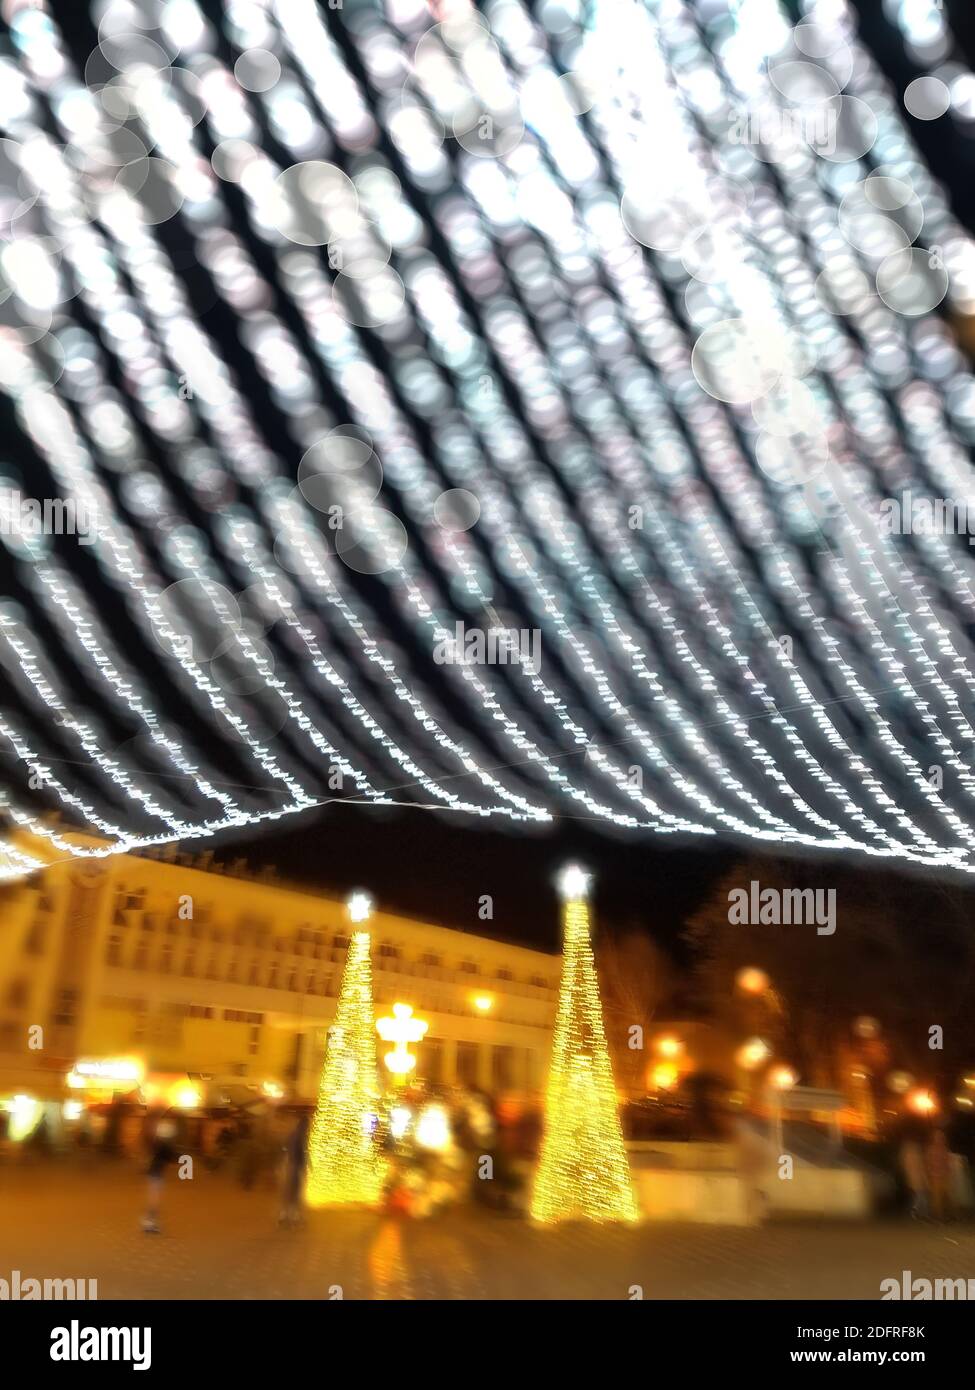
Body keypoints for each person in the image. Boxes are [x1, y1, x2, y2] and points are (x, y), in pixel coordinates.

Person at [142, 1117, 178, 1234]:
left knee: (153, 1199)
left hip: (154, 1173)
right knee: (154, 1201)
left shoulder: (158, 1143)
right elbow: (173, 1157)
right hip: (156, 1174)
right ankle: (149, 1223)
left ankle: (149, 1223)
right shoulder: (165, 1145)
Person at [279, 1112, 310, 1227]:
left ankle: (283, 1216)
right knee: (295, 1192)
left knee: (287, 1192)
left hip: (289, 1165)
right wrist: (307, 1166)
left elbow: (284, 1148)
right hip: (296, 1167)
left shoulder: (292, 1134)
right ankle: (294, 1217)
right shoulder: (302, 1136)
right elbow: (303, 1153)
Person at [899, 1136, 929, 1219]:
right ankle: (915, 1211)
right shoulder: (914, 1154)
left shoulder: (907, 1154)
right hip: (917, 1180)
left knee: (920, 1196)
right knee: (921, 1196)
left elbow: (907, 1167)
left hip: (915, 1180)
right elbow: (920, 1168)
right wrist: (925, 1180)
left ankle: (920, 1213)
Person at [927, 1129, 952, 1222]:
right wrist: (929, 1175)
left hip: (945, 1176)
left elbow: (947, 1162)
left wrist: (949, 1172)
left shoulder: (945, 1148)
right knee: (936, 1199)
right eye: (937, 1136)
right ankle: (938, 1217)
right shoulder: (931, 1149)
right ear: (933, 1138)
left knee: (947, 1196)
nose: (939, 1138)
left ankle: (947, 1216)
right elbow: (927, 1162)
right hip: (935, 1177)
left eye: (941, 1136)